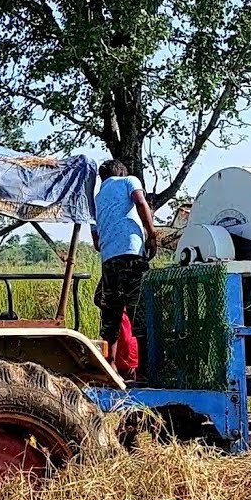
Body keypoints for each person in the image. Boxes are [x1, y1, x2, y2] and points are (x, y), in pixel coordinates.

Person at [90, 160, 158, 381]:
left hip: (109, 259)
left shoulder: (98, 198)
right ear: (120, 171)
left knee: (112, 314)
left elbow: (97, 242)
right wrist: (152, 234)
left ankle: (110, 367)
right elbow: (140, 202)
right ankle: (145, 371)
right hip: (131, 253)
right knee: (140, 312)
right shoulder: (129, 181)